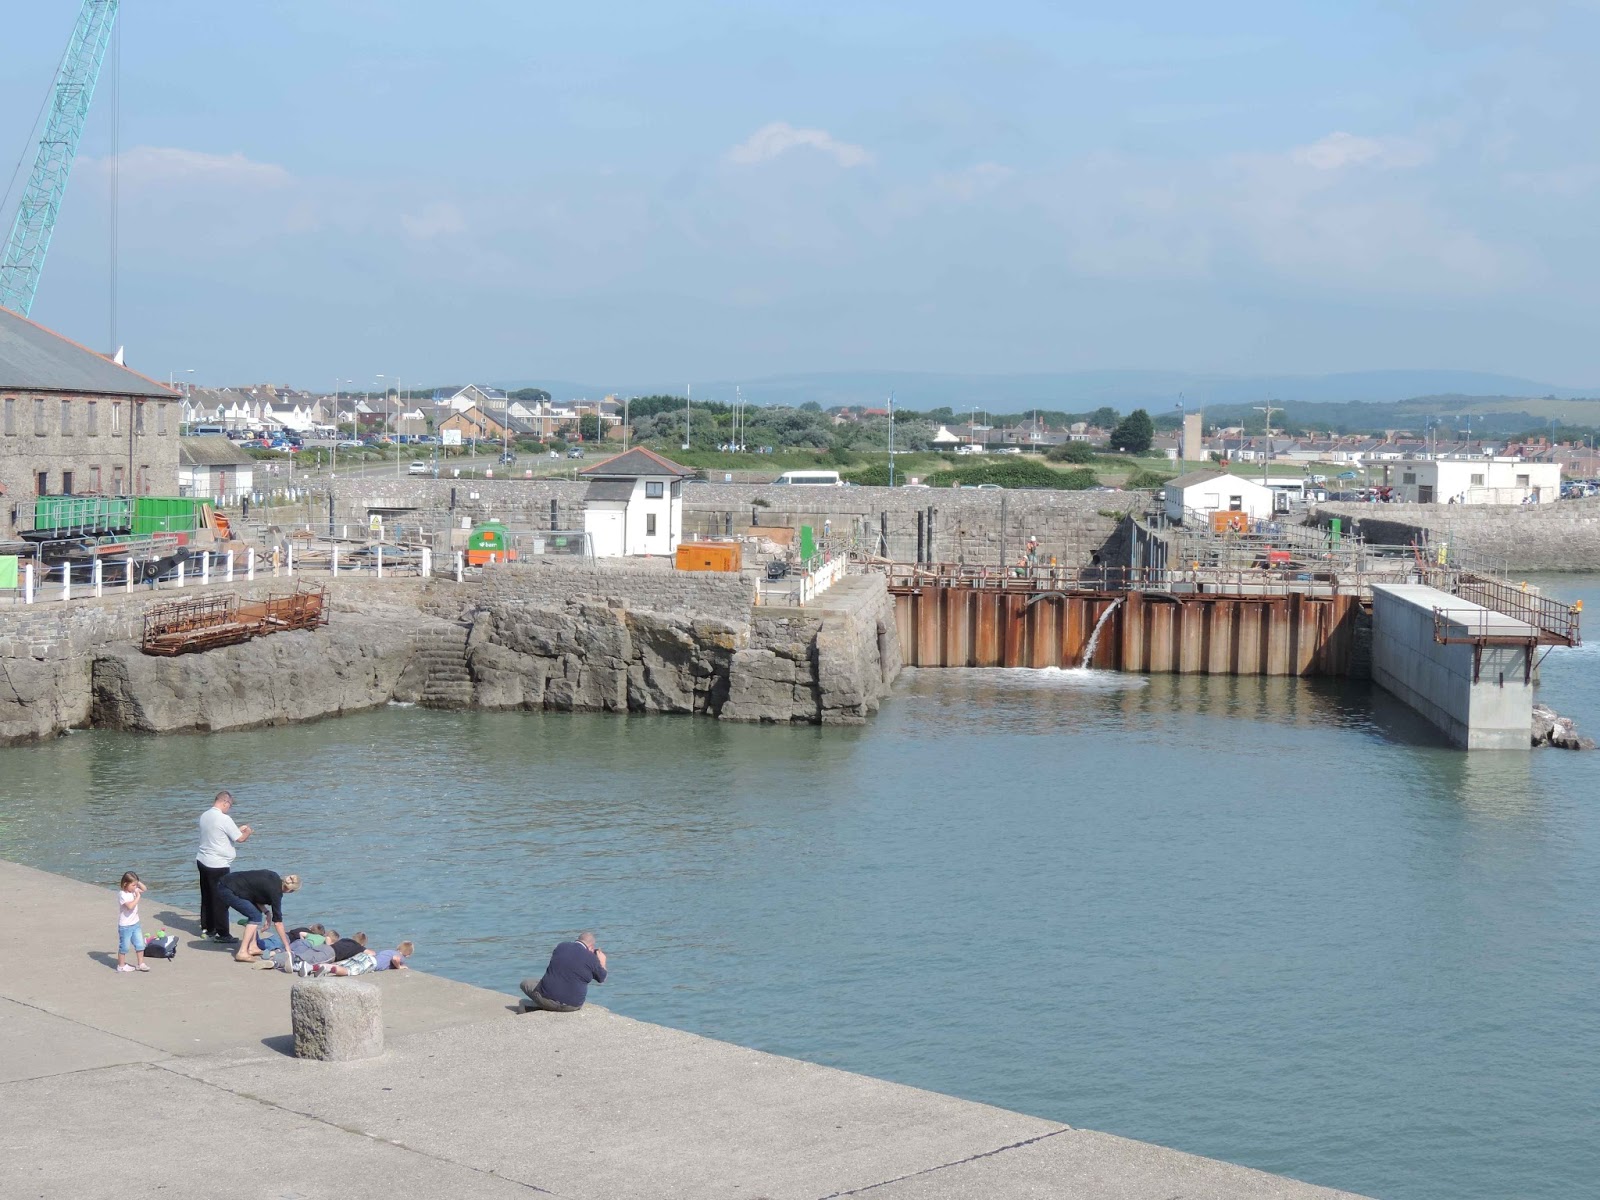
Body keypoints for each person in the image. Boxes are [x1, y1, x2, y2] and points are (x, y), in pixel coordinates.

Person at [196, 791, 252, 944]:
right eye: (230, 805)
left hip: (202, 859)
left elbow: (217, 834)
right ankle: (223, 933)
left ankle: (208, 927)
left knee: (207, 895)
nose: (230, 808)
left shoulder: (205, 815)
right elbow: (240, 839)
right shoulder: (224, 818)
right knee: (222, 898)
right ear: (225, 802)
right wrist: (247, 832)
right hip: (218, 864)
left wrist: (236, 830)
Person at [216, 869, 299, 962]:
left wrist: (267, 913)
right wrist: (287, 946)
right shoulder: (276, 893)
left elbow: (254, 895)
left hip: (226, 881)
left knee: (256, 913)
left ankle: (253, 947)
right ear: (290, 890)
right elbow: (278, 923)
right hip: (226, 888)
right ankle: (242, 952)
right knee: (255, 916)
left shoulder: (274, 876)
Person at [521, 932, 607, 1013]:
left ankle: (543, 1006)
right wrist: (602, 962)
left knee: (525, 983)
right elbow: (602, 978)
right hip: (573, 1006)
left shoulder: (561, 946)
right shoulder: (591, 958)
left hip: (547, 999)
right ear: (591, 947)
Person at [115, 872, 149, 973]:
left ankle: (141, 963)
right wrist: (138, 896)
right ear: (125, 884)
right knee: (124, 946)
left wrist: (137, 882)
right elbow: (130, 906)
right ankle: (121, 966)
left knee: (140, 944)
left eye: (135, 885)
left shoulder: (133, 891)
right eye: (133, 885)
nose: (135, 887)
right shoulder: (122, 894)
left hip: (135, 923)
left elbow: (144, 889)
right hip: (125, 926)